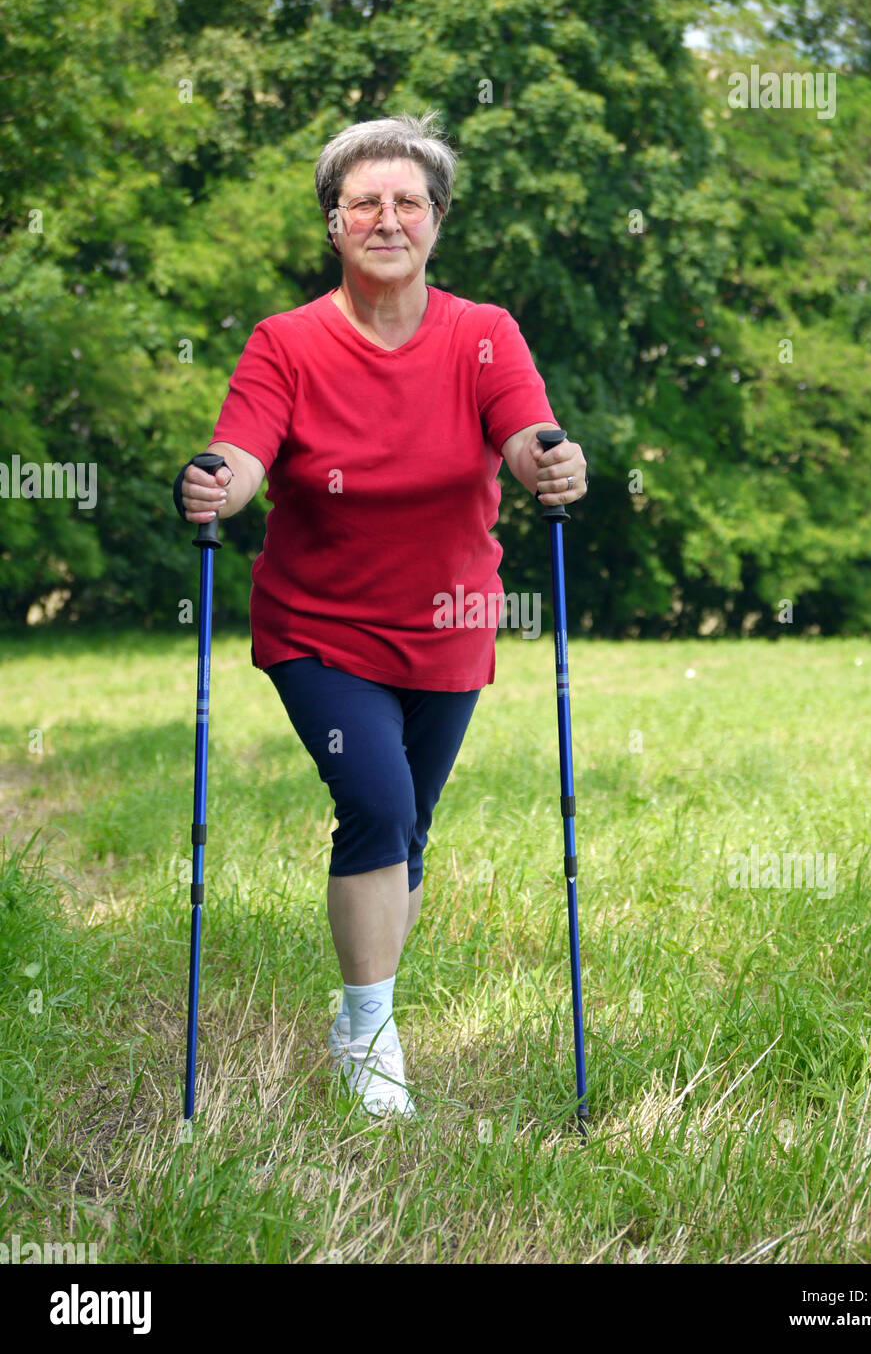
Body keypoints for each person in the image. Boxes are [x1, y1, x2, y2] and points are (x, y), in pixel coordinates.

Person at [173, 110, 587, 1118]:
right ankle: (368, 1029)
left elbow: (524, 428)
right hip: (319, 627)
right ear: (333, 224)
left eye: (408, 201)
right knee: (380, 805)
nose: (387, 218)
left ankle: (364, 1007)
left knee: (409, 832)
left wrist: (549, 459)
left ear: (435, 220)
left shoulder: (482, 334)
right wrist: (214, 483)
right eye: (365, 202)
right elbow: (244, 452)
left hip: (448, 622)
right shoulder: (288, 342)